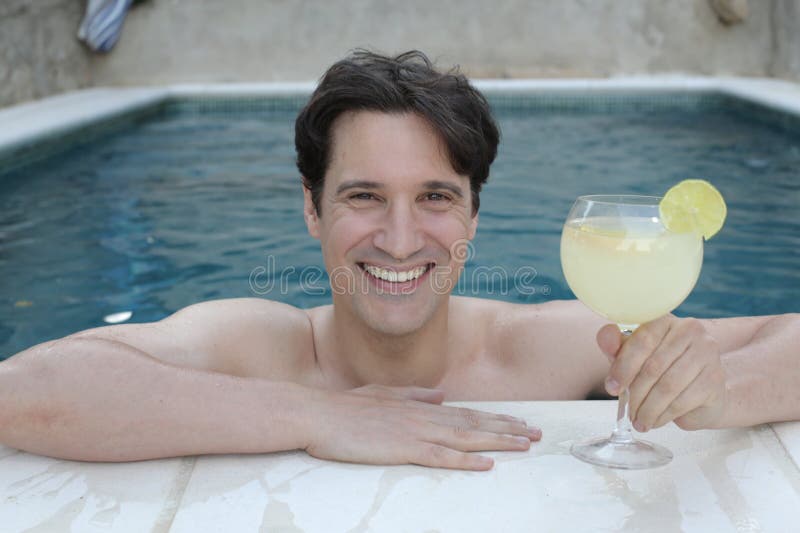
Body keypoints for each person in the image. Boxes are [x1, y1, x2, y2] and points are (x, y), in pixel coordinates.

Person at [1, 51, 797, 471]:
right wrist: (318, 415)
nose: (402, 237)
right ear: (311, 208)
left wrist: (723, 392)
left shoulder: (538, 348)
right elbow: (26, 390)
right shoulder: (266, 346)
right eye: (363, 197)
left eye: (436, 198)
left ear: (475, 216)